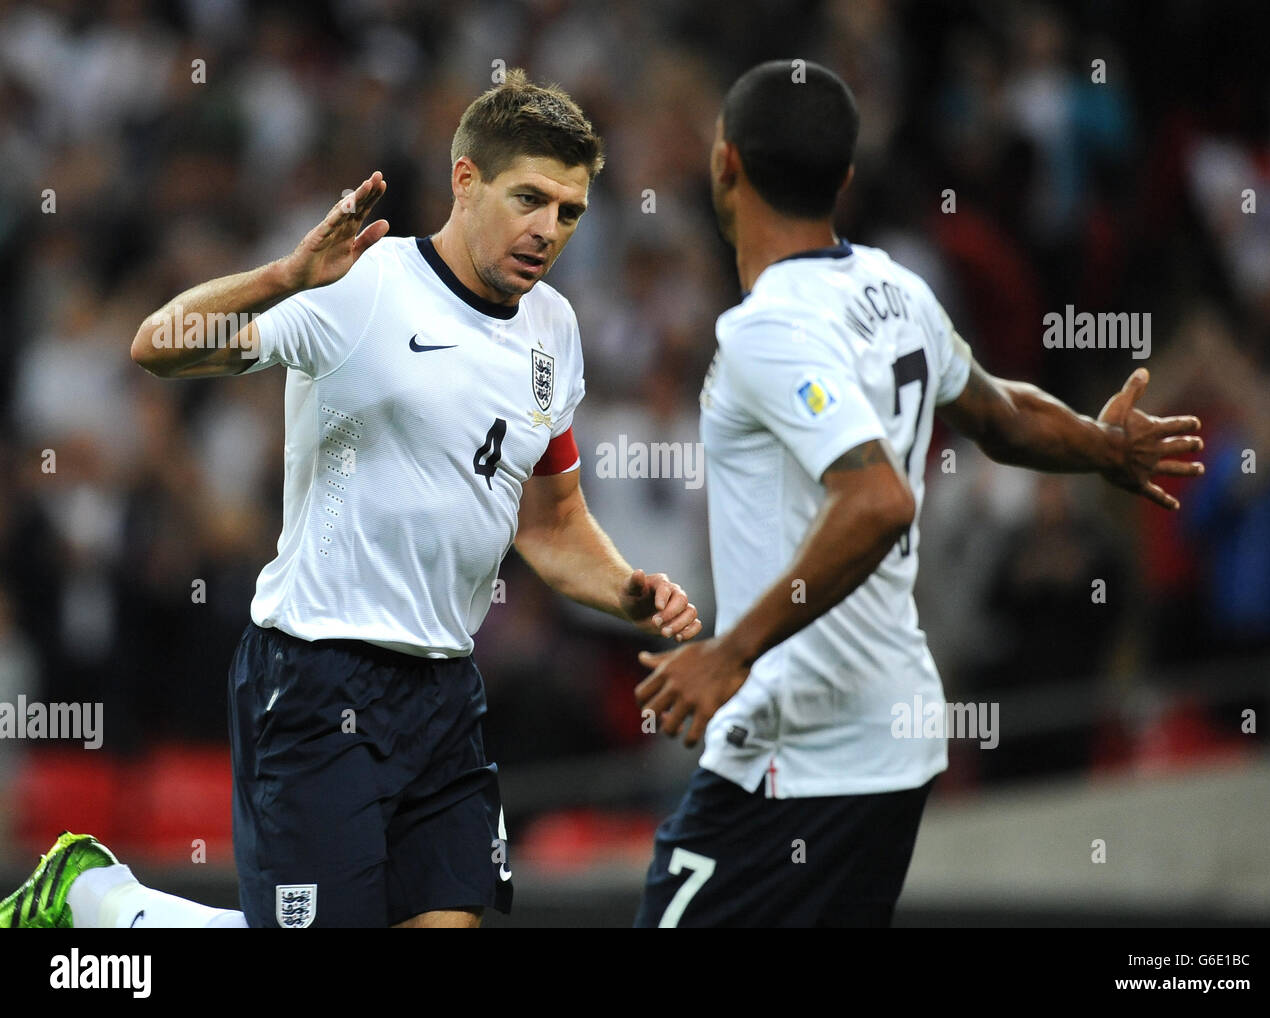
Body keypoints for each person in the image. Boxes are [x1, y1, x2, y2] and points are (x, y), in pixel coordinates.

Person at [2, 70, 700, 930]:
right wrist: (286, 275)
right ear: (466, 179)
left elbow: (551, 521)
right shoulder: (364, 285)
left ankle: (108, 901)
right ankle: (104, 901)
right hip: (317, 675)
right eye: (530, 199)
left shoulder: (552, 327)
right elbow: (158, 346)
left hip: (444, 690)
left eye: (569, 212)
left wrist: (628, 587)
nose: (547, 230)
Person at [632, 60, 1203, 928]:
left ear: (726, 165)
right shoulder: (895, 290)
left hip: (800, 751)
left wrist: (730, 650)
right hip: (892, 744)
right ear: (846, 179)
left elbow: (880, 499)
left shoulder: (768, 332)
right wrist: (1101, 445)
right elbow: (999, 413)